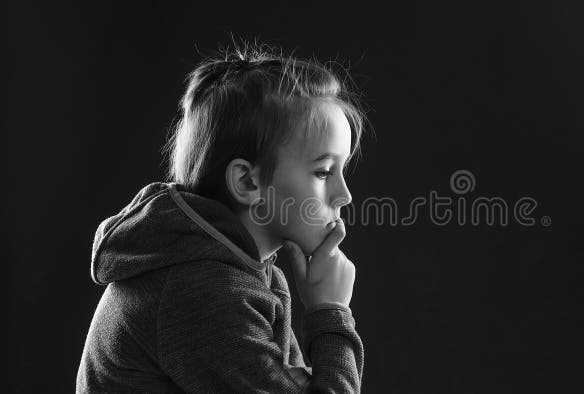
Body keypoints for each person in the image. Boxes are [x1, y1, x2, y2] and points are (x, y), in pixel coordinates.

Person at [76, 42, 368, 393]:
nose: (344, 195)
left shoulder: (250, 272)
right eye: (323, 172)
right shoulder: (203, 292)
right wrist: (331, 311)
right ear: (247, 182)